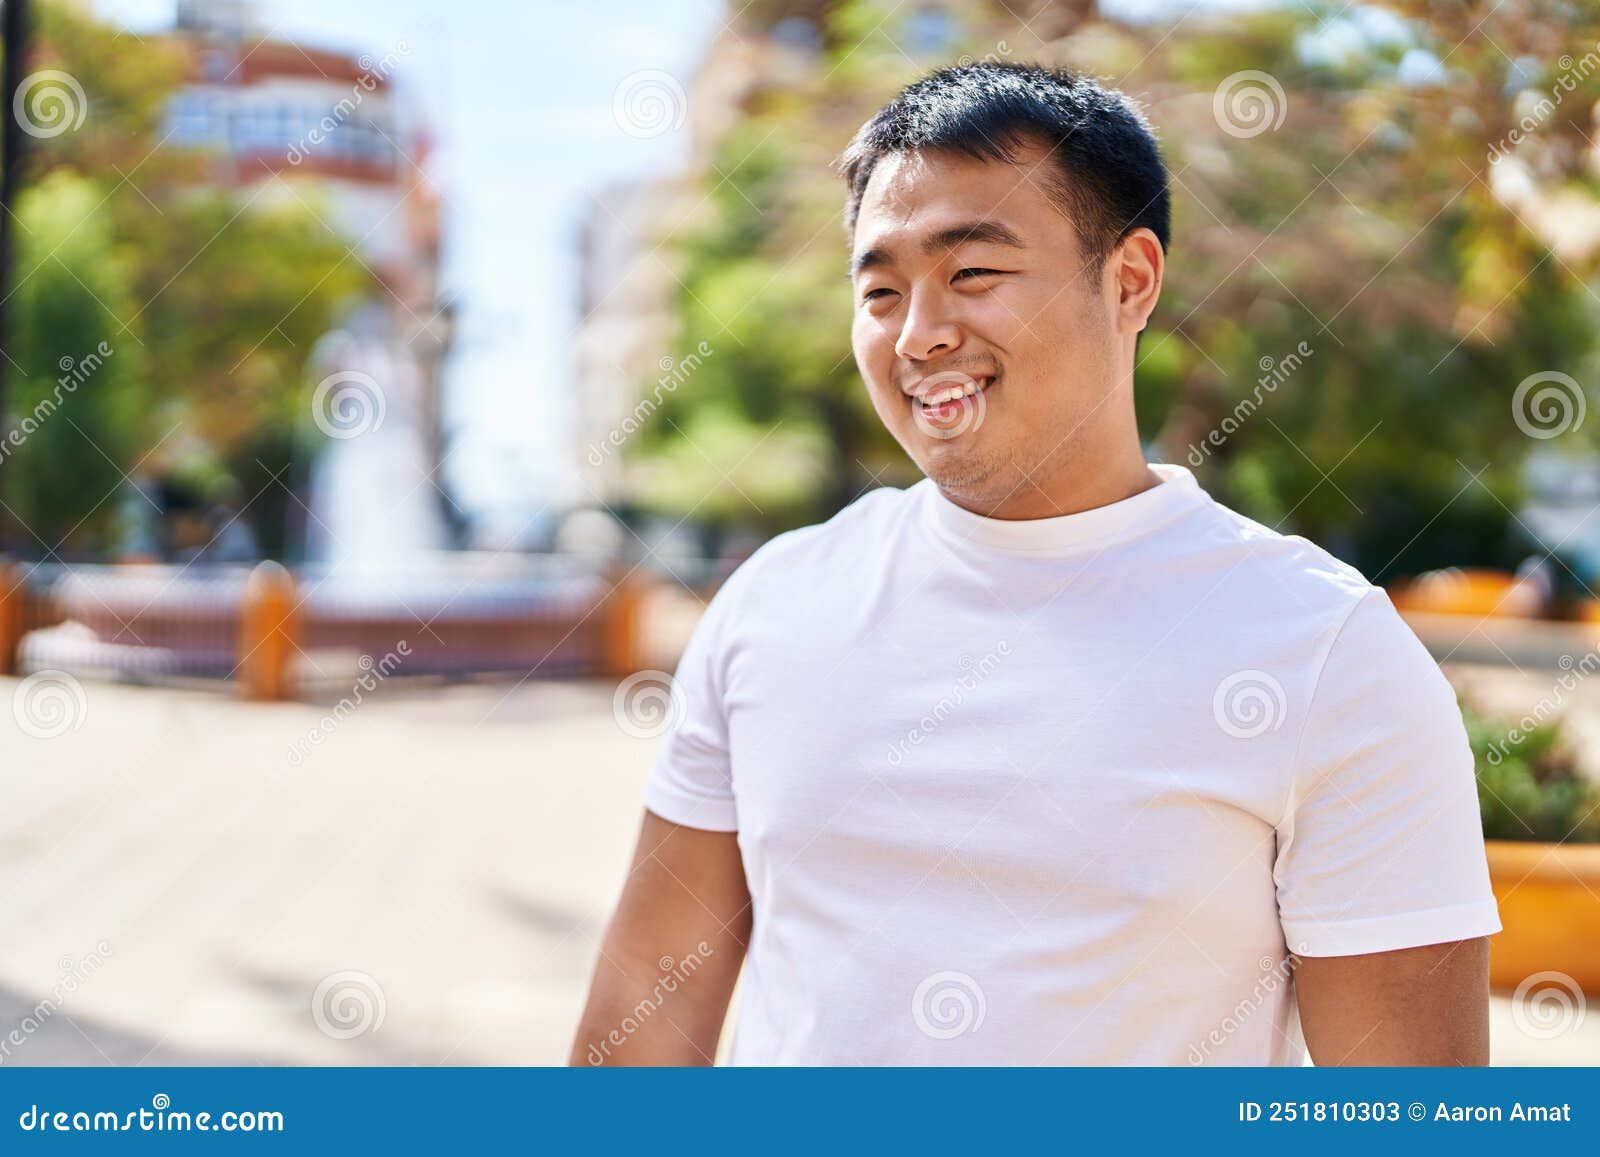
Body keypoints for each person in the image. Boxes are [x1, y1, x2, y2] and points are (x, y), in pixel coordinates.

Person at [571, 62, 1500, 1066]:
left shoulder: (1323, 651)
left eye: (972, 273)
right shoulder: (772, 604)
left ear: (1130, 282)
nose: (919, 333)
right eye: (880, 288)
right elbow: (640, 1031)